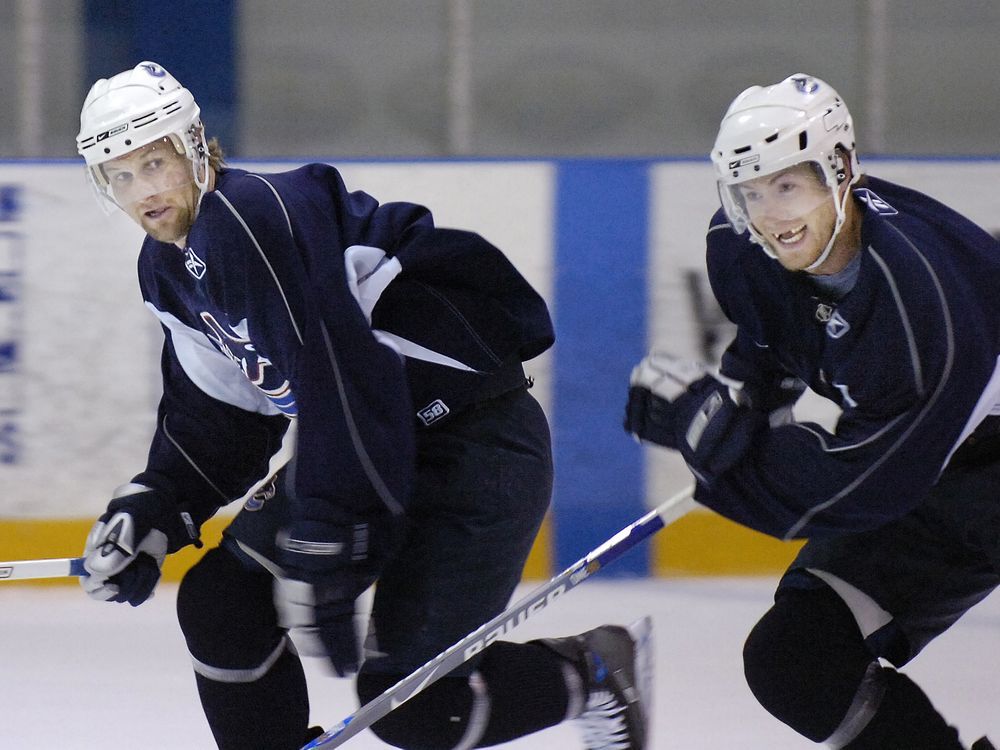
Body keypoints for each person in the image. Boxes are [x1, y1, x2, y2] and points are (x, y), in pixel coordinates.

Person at [75, 61, 651, 750]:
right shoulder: (167, 268)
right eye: (121, 175)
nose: (144, 191)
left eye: (154, 163)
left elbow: (343, 372)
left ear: (195, 148)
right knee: (221, 604)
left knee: (411, 706)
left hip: (475, 450)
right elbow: (222, 415)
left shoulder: (250, 217)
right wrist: (162, 502)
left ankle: (591, 672)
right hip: (369, 447)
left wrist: (332, 525)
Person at [624, 73, 1000, 750]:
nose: (771, 215)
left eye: (788, 185)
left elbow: (849, 494)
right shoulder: (740, 246)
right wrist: (737, 411)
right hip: (947, 461)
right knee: (798, 658)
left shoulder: (921, 311)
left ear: (843, 169)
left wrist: (717, 446)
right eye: (751, 191)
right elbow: (771, 344)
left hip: (962, 461)